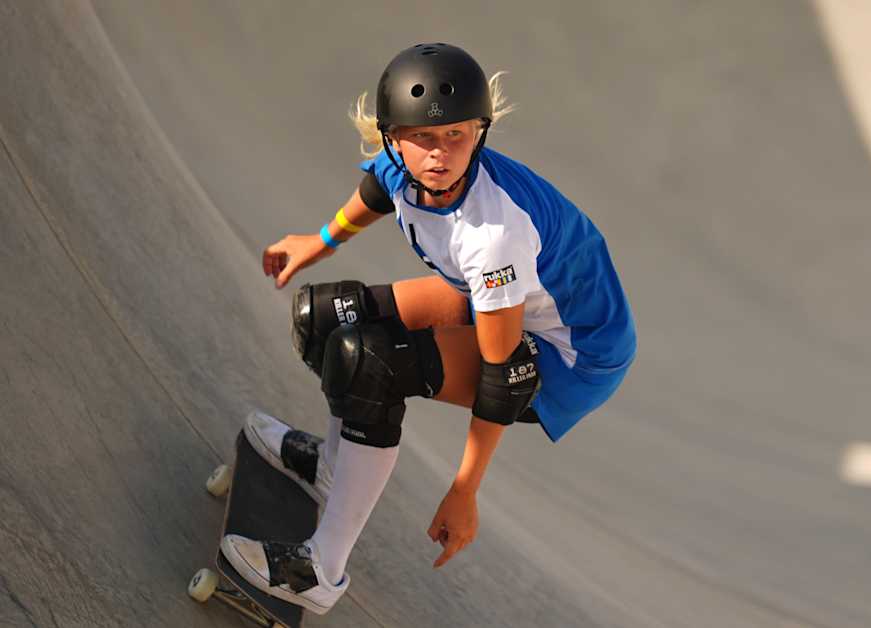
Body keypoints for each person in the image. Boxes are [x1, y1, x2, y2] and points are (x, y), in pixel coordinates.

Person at [219, 43, 636, 614]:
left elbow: (504, 372)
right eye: (422, 140)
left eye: (457, 137)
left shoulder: (493, 236)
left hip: (570, 351)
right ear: (392, 136)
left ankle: (320, 570)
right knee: (324, 319)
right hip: (514, 299)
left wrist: (465, 491)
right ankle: (334, 472)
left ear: (480, 133)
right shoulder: (400, 164)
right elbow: (375, 193)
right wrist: (315, 244)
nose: (439, 156)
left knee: (371, 362)